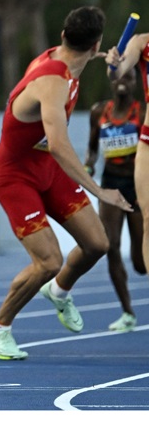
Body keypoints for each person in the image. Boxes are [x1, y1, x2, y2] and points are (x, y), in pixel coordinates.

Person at [0, 6, 130, 360]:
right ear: (93, 43)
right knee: (48, 260)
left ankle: (60, 291)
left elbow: (83, 57)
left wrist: (109, 59)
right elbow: (59, 145)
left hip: (46, 170)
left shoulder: (65, 56)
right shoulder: (51, 81)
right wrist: (100, 191)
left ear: (64, 35)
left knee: (98, 243)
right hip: (15, 175)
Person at [84, 67, 145, 332]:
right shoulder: (99, 112)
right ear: (111, 80)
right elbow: (92, 147)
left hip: (139, 186)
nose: (123, 82)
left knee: (141, 262)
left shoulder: (142, 113)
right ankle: (127, 312)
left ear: (135, 82)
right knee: (110, 246)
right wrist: (88, 166)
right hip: (111, 186)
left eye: (128, 77)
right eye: (118, 76)